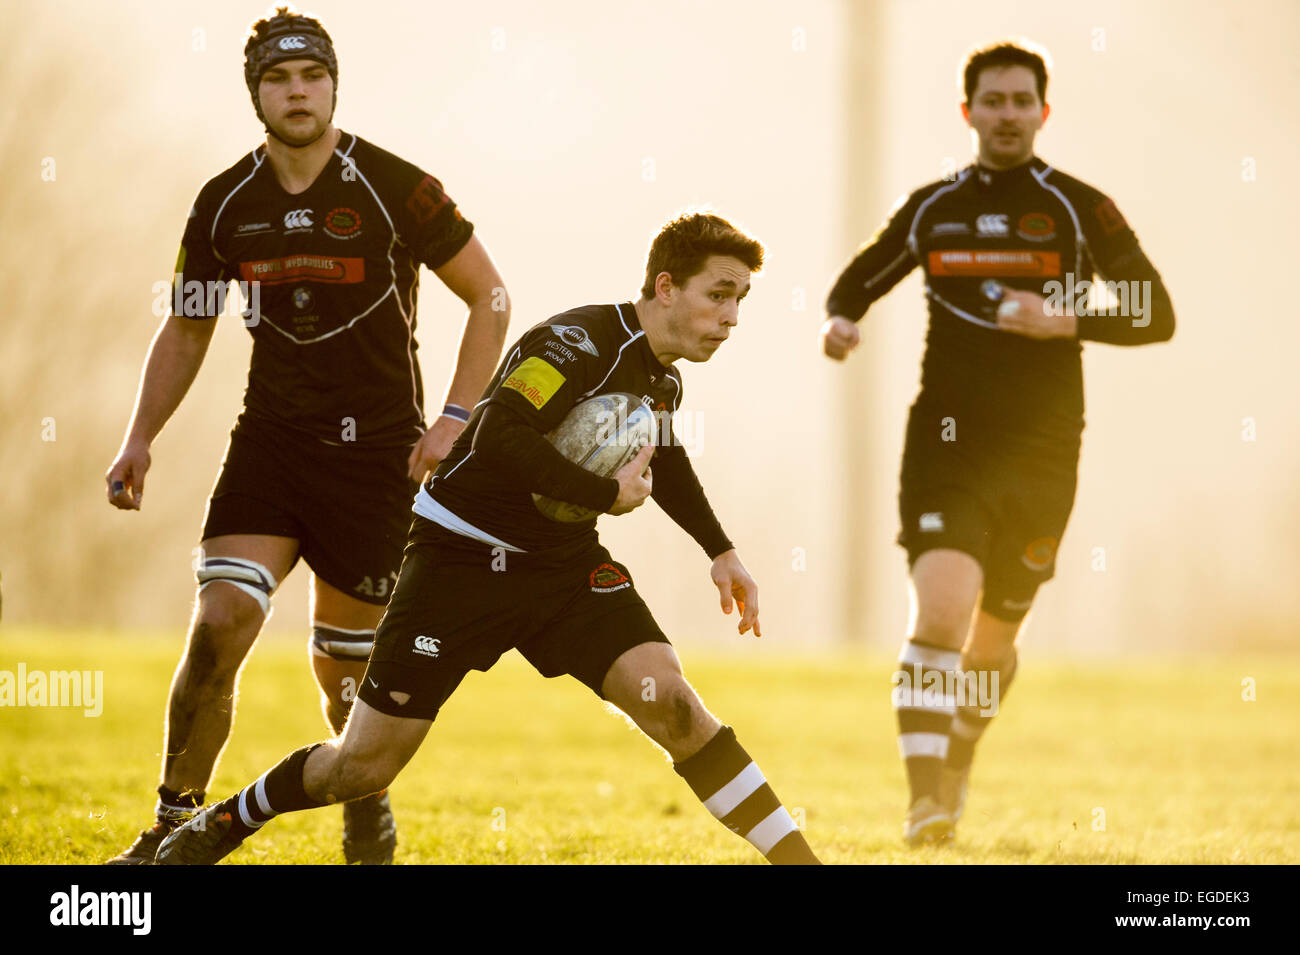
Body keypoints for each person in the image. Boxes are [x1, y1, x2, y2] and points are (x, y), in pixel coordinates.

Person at [156, 212, 821, 865]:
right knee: (359, 767)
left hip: (563, 569)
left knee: (674, 702)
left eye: (741, 300)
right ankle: (227, 819)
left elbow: (664, 457)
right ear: (668, 287)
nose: (731, 316)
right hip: (460, 559)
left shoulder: (662, 379)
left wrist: (720, 551)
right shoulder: (575, 342)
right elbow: (500, 432)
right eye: (719, 294)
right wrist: (603, 494)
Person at [104, 6, 509, 864]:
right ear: (255, 93)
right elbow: (187, 329)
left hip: (379, 460)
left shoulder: (396, 186)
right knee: (219, 624)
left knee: (348, 682)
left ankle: (364, 794)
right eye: (278, 79)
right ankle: (174, 821)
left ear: (333, 85)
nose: (297, 92)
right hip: (272, 448)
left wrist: (455, 419)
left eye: (311, 76)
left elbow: (491, 297)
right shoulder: (224, 203)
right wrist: (138, 437)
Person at [821, 40, 1175, 844]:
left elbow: (1157, 313)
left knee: (992, 639)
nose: (1007, 114)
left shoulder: (1082, 207)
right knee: (942, 610)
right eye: (994, 100)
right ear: (968, 111)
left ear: (1043, 112)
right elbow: (858, 279)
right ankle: (924, 801)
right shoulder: (933, 208)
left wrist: (1066, 319)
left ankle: (959, 757)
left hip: (1045, 452)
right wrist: (840, 321)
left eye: (1022, 101)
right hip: (947, 442)